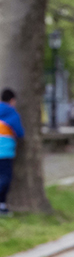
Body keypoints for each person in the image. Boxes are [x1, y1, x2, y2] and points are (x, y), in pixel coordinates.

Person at [0, 88, 23, 217]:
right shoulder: (12, 113)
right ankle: (2, 206)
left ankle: (2, 206)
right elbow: (20, 133)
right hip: (4, 151)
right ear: (12, 100)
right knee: (5, 179)